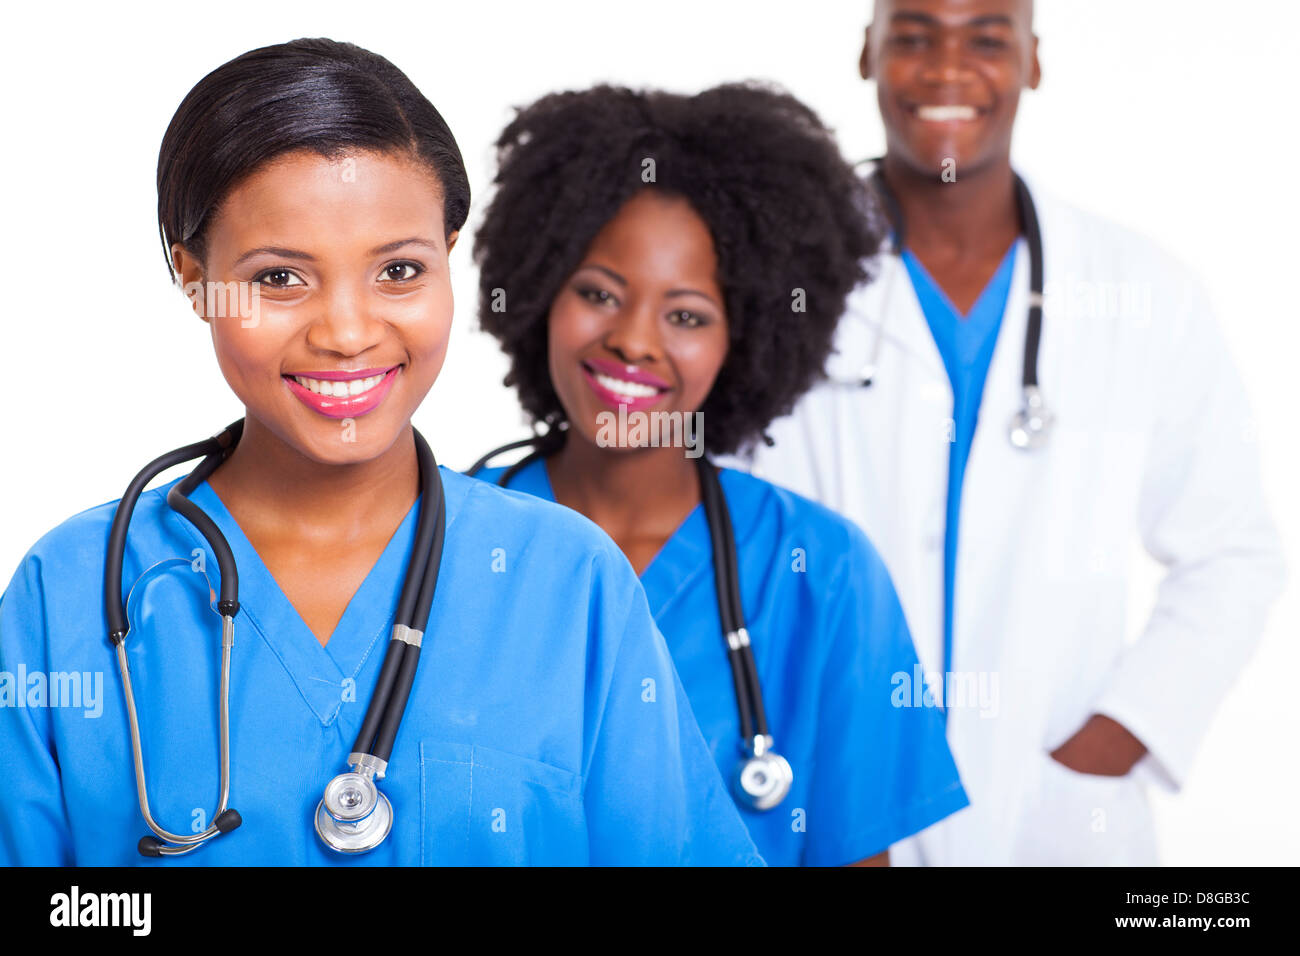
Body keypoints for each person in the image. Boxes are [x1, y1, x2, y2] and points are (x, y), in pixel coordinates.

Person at [0, 38, 764, 867]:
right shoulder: (69, 595)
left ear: (450, 257)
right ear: (193, 279)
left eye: (399, 269)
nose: (349, 333)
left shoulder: (571, 583)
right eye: (278, 279)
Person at [743, 0, 1286, 865]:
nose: (948, 68)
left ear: (1034, 61)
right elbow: (719, 526)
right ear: (866, 55)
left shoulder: (1143, 290)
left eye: (988, 38)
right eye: (914, 36)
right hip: (826, 785)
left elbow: (1234, 551)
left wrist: (1120, 732)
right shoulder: (775, 272)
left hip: (1053, 810)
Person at [469, 83, 969, 866]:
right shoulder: (434, 546)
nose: (634, 340)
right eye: (599, 293)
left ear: (750, 336)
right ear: (540, 292)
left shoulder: (824, 574)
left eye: (688, 314)